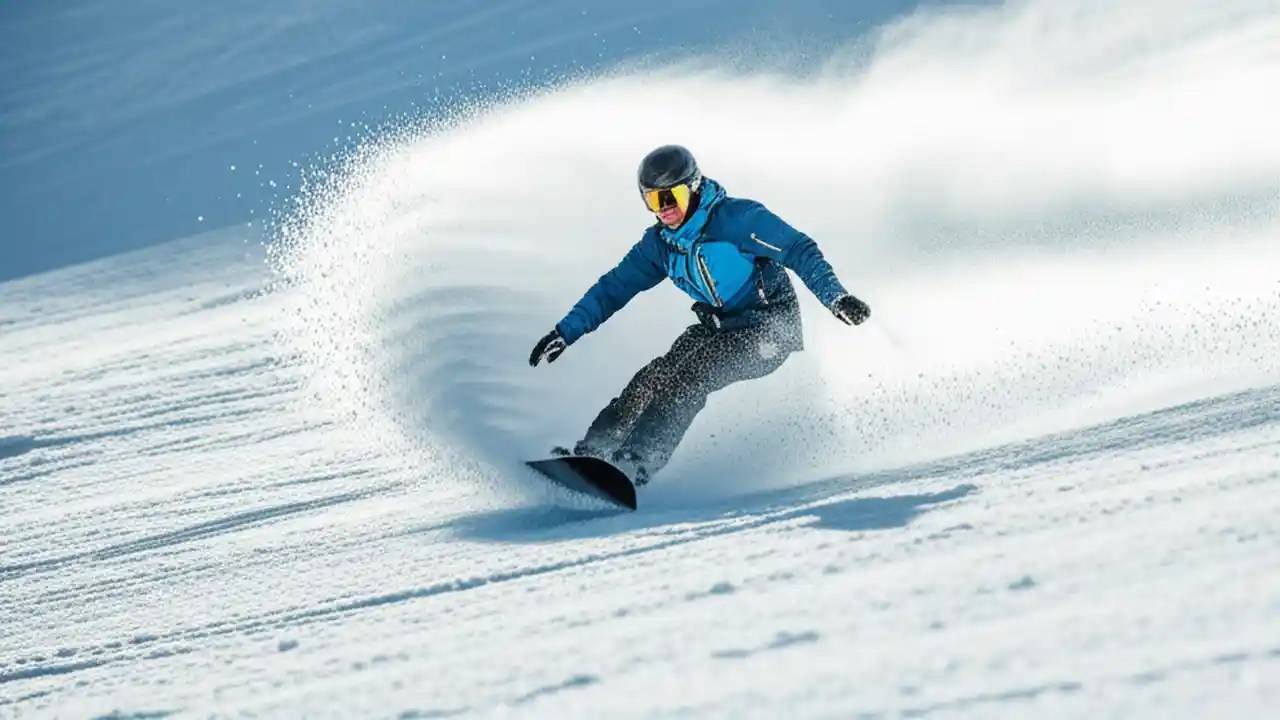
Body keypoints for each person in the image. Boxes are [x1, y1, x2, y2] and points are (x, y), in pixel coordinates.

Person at [529, 145, 870, 485]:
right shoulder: (661, 244)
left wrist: (836, 297)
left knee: (689, 377)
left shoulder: (736, 220)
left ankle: (635, 463)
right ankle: (594, 454)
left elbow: (798, 249)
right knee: (652, 377)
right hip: (717, 327)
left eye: (671, 196)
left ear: (692, 187)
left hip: (767, 329)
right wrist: (565, 331)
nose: (665, 210)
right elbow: (613, 288)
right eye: (653, 200)